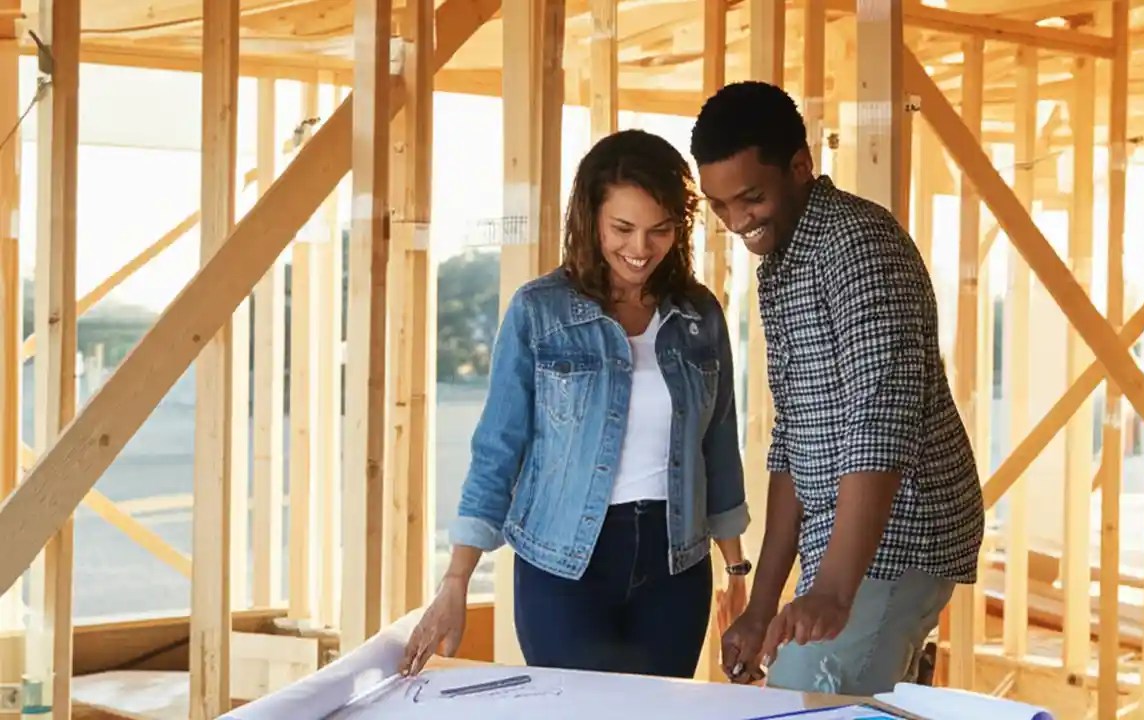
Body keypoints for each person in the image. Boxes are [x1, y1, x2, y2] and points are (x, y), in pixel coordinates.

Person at [400, 128, 751, 680]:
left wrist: (737, 574)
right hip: (564, 569)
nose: (640, 249)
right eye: (623, 228)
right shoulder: (539, 311)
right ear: (590, 219)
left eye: (659, 230)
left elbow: (718, 447)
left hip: (676, 568)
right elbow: (499, 448)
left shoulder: (697, 315)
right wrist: (457, 580)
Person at [690, 81, 985, 695]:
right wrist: (763, 602)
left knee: (802, 699)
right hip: (845, 542)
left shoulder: (859, 246)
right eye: (721, 207)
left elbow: (882, 422)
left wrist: (833, 590)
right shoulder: (785, 262)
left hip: (898, 535)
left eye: (751, 197)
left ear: (800, 166)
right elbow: (795, 440)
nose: (739, 221)